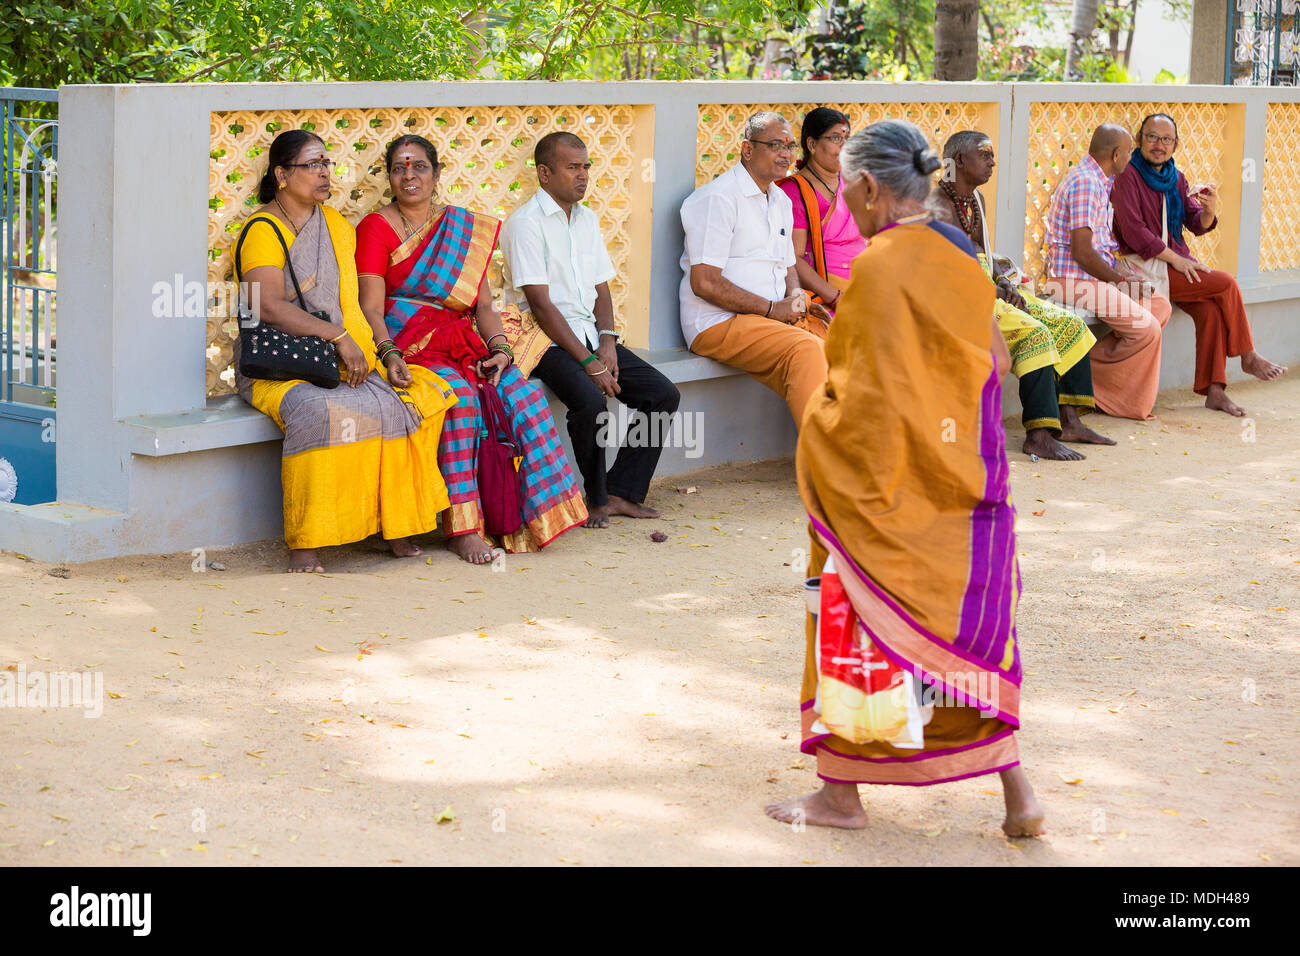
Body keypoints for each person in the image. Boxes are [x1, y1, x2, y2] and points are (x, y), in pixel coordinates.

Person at [765, 120, 1043, 837]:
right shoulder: (960, 254)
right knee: (965, 640)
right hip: (963, 485)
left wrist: (819, 440)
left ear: (864, 185)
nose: (844, 211)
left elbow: (857, 403)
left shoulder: (880, 268)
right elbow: (997, 365)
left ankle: (841, 798)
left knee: (853, 619)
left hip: (885, 492)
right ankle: (1020, 797)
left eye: (847, 196)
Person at [355, 135, 588, 564]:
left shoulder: (463, 229)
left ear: (437, 173)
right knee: (462, 403)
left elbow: (482, 304)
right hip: (408, 345)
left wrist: (500, 350)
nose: (410, 176)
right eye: (399, 168)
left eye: (420, 167)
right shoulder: (375, 227)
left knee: (523, 395)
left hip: (463, 341)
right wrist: (388, 353)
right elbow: (369, 306)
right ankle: (464, 528)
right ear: (389, 176)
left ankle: (525, 517)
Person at [234, 130, 456, 573]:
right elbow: (267, 306)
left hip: (342, 357)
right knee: (318, 410)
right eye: (311, 164)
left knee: (407, 403)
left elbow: (351, 307)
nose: (323, 172)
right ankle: (307, 543)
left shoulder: (335, 226)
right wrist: (337, 339)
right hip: (280, 365)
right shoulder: (262, 229)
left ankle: (396, 525)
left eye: (326, 164)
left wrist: (383, 355)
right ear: (281, 175)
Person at [500, 131, 680, 529]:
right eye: (572, 167)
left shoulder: (587, 219)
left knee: (662, 394)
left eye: (586, 167)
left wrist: (607, 345)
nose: (583, 176)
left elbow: (601, 289)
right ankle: (595, 498)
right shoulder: (524, 225)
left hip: (587, 335)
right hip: (542, 340)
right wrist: (589, 363)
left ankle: (622, 492)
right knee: (590, 403)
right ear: (544, 173)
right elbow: (542, 306)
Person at [932, 130, 1114, 461]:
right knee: (1035, 333)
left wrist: (1004, 280)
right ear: (959, 160)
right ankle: (1039, 436)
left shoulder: (976, 201)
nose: (992, 161)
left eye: (992, 155)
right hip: (962, 300)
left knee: (1069, 323)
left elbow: (985, 255)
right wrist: (991, 288)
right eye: (984, 155)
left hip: (991, 288)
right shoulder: (934, 206)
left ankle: (1070, 422)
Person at [1111, 113, 1286, 417]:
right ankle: (1248, 356)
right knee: (1226, 283)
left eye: (1166, 139)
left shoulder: (1175, 178)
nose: (1159, 145)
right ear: (1139, 140)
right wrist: (1177, 260)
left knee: (1211, 310)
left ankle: (1215, 392)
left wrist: (1210, 210)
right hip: (1146, 266)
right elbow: (1133, 231)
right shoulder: (1127, 175)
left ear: (1175, 144)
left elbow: (1195, 222)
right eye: (1152, 137)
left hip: (1176, 266)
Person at [679, 111, 832, 428]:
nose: (786, 154)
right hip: (719, 322)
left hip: (767, 317)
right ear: (748, 150)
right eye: (776, 145)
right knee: (804, 350)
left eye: (790, 146)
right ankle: (826, 465)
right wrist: (773, 309)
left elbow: (788, 263)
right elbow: (705, 283)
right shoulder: (718, 199)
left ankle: (858, 456)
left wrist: (796, 300)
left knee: (842, 346)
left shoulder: (780, 200)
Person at [1043, 124, 1172, 421]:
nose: (1131, 157)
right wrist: (1121, 281)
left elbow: (1099, 249)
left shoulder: (1101, 181)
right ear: (1116, 154)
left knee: (1159, 305)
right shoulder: (1086, 183)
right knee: (1147, 329)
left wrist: (1125, 276)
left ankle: (1085, 373)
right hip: (1071, 282)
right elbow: (1083, 252)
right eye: (1129, 152)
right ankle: (1118, 400)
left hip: (1092, 279)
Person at [776, 107, 867, 312]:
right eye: (835, 138)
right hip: (829, 297)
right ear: (812, 144)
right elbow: (794, 258)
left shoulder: (853, 181)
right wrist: (835, 298)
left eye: (847, 138)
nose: (844, 146)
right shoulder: (795, 191)